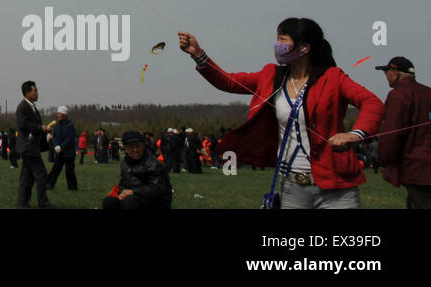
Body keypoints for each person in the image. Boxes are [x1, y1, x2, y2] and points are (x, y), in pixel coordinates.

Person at [179, 18, 383, 209]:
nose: (277, 45)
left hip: (336, 187)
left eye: (282, 40)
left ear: (304, 48)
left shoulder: (332, 77)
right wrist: (198, 55)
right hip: (291, 186)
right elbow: (230, 81)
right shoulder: (271, 75)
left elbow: (371, 102)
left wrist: (356, 134)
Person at [375, 57, 431, 208]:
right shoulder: (428, 93)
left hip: (417, 171)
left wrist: (384, 161)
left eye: (386, 72)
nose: (386, 76)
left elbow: (391, 133)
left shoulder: (399, 95)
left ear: (395, 73)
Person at [102, 130, 172, 210]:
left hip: (156, 201)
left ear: (143, 146)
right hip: (134, 198)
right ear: (125, 149)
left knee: (129, 201)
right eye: (131, 147)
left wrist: (133, 191)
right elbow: (123, 184)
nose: (135, 150)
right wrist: (122, 193)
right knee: (109, 201)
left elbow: (156, 189)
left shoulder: (155, 164)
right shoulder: (125, 163)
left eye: (138, 146)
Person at [15, 81, 54, 208]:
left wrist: (44, 132)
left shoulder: (31, 106)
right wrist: (41, 128)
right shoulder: (23, 107)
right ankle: (43, 203)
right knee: (41, 174)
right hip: (28, 147)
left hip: (30, 146)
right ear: (27, 93)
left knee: (27, 178)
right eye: (35, 90)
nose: (37, 93)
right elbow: (23, 125)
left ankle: (23, 203)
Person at [46, 106, 78, 191]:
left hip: (69, 153)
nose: (58, 115)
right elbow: (55, 137)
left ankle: (73, 187)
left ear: (64, 115)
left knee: (69, 171)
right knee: (55, 169)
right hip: (60, 152)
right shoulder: (56, 125)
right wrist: (56, 145)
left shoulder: (70, 125)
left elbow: (69, 138)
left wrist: (61, 146)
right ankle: (49, 185)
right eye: (58, 113)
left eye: (59, 113)